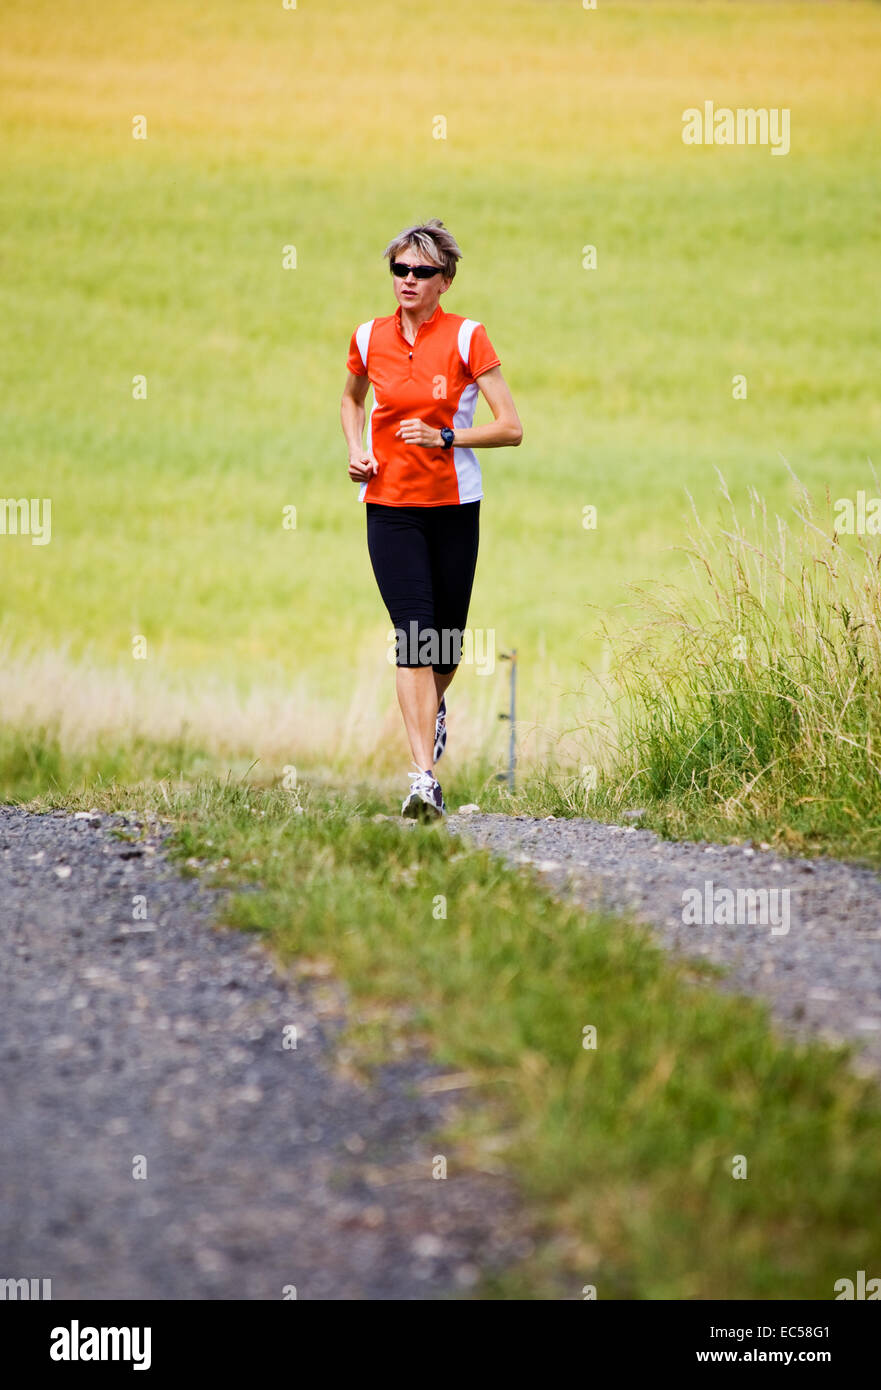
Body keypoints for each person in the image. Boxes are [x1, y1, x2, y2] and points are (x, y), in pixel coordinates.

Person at [341, 219, 523, 818]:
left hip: (454, 507)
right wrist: (356, 450)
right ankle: (424, 778)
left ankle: (433, 710)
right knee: (414, 637)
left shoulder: (469, 337)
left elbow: (511, 428)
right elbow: (352, 397)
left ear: (445, 279)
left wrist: (448, 436)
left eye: (422, 272)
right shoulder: (368, 337)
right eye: (400, 270)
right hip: (390, 509)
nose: (408, 280)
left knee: (446, 643)